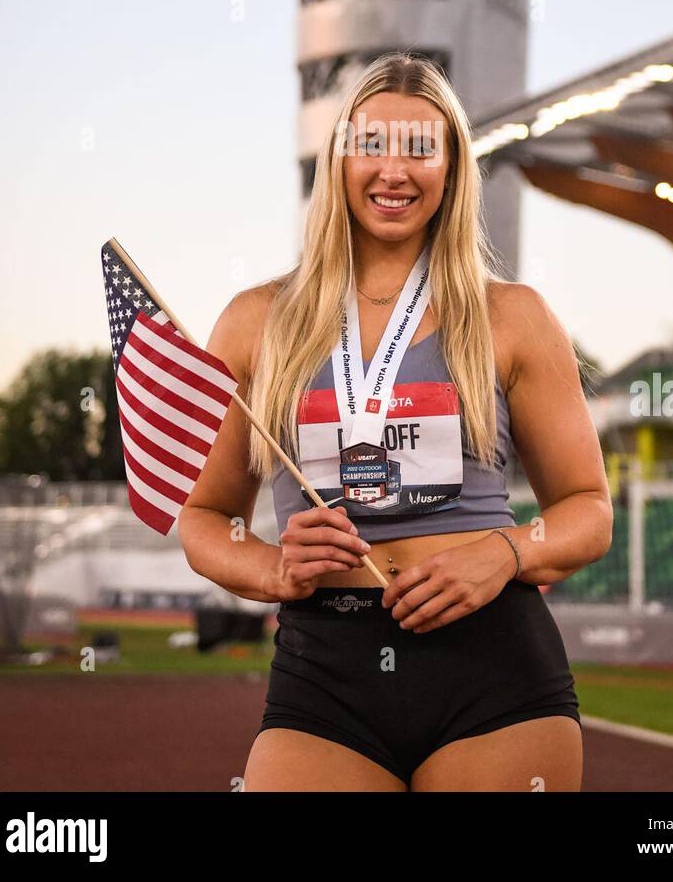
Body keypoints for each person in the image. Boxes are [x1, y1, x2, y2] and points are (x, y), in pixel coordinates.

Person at [178, 52, 613, 792]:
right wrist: (272, 567)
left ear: (452, 169)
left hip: (493, 663)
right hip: (327, 666)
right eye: (370, 145)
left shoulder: (514, 318)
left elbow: (589, 511)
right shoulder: (257, 323)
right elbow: (203, 516)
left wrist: (504, 555)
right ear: (339, 159)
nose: (393, 171)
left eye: (420, 148)